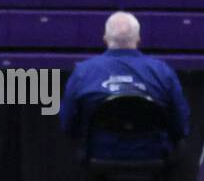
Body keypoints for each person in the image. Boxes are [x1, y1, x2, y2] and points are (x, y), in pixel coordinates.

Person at [60, 11, 189, 161]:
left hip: (100, 158)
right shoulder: (162, 72)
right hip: (152, 159)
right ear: (138, 38)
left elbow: (67, 124)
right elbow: (181, 126)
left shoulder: (83, 73)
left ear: (105, 38)